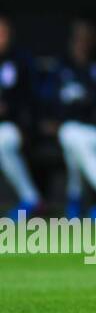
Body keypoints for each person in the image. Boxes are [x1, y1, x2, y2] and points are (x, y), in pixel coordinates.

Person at [43, 16, 96, 219]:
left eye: (88, 38)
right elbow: (46, 101)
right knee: (71, 135)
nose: (82, 42)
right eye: (79, 37)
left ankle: (79, 196)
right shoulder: (61, 67)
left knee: (72, 137)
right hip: (67, 131)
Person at [0, 15, 41, 218]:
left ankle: (30, 198)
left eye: (3, 32)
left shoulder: (22, 62)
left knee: (2, 140)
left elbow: (32, 100)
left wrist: (25, 126)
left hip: (15, 127)